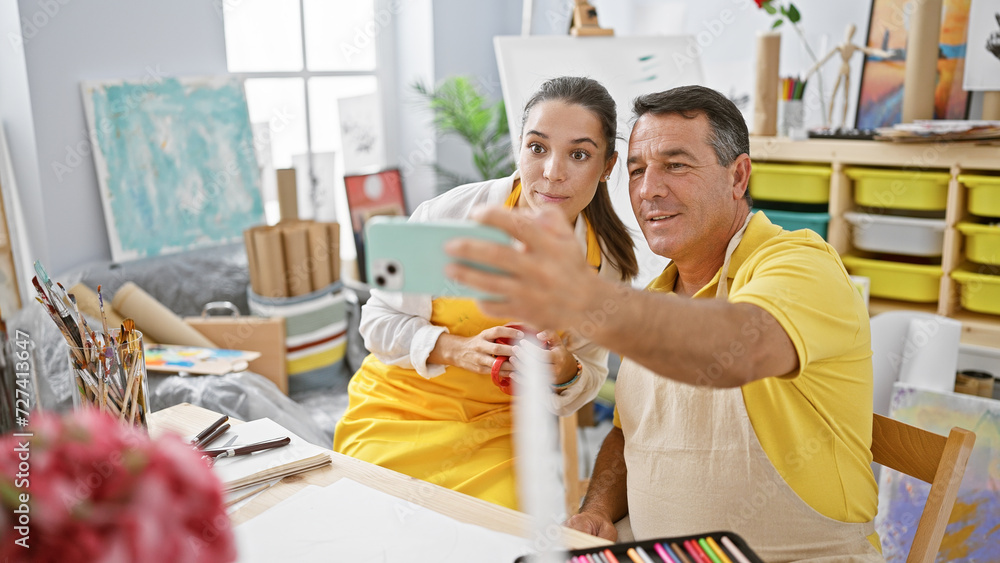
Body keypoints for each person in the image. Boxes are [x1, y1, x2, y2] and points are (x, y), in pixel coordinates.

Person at [446, 85, 883, 561]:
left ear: (737, 176)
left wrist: (581, 297)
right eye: (636, 171)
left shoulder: (800, 263)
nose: (648, 189)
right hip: (658, 551)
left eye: (675, 165)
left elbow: (739, 346)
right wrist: (596, 510)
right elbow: (631, 435)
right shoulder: (656, 298)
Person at [333, 76, 638, 511]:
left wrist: (563, 368)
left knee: (501, 529)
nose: (552, 172)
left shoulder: (606, 265)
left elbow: (587, 376)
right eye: (537, 148)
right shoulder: (450, 215)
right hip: (399, 410)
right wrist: (454, 349)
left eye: (578, 154)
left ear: (607, 166)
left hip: (499, 432)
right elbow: (376, 323)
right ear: (520, 148)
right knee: (376, 516)